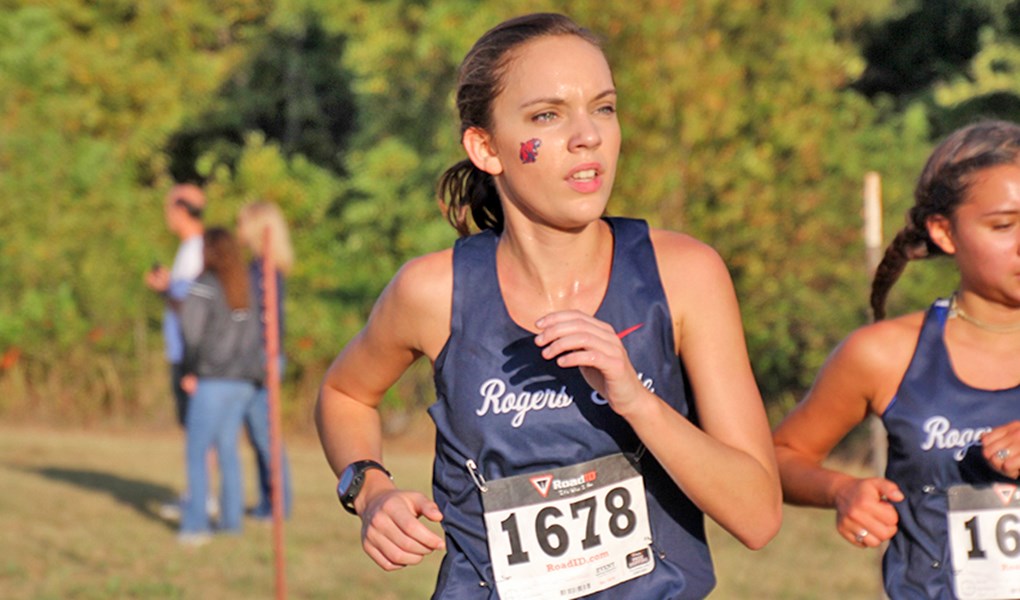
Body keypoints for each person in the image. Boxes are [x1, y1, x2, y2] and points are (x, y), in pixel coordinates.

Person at [315, 13, 781, 599]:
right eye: (547, 116)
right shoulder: (432, 292)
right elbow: (345, 394)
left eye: (604, 107)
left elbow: (759, 516)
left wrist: (635, 400)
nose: (587, 135)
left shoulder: (685, 275)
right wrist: (369, 489)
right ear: (486, 148)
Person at [773, 120, 1020, 599]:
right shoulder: (883, 354)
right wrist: (841, 491)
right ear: (945, 232)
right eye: (1005, 225)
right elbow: (779, 459)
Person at [178, 227, 264, 545]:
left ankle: (196, 525)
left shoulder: (204, 286)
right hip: (243, 382)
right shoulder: (245, 288)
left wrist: (188, 370)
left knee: (197, 452)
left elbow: (191, 332)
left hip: (213, 380)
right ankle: (231, 523)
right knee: (228, 450)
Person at [237, 201, 294, 519]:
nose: (238, 230)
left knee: (265, 435)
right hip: (261, 358)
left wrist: (267, 359)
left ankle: (277, 506)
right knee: (259, 435)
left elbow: (266, 321)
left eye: (241, 223)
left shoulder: (264, 272)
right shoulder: (260, 267)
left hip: (265, 358)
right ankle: (267, 502)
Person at [144, 183, 205, 428]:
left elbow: (195, 310)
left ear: (181, 210)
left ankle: (202, 469)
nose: (166, 215)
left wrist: (164, 291)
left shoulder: (197, 250)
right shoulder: (189, 248)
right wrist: (168, 288)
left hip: (191, 354)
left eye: (168, 208)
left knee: (199, 428)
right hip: (184, 351)